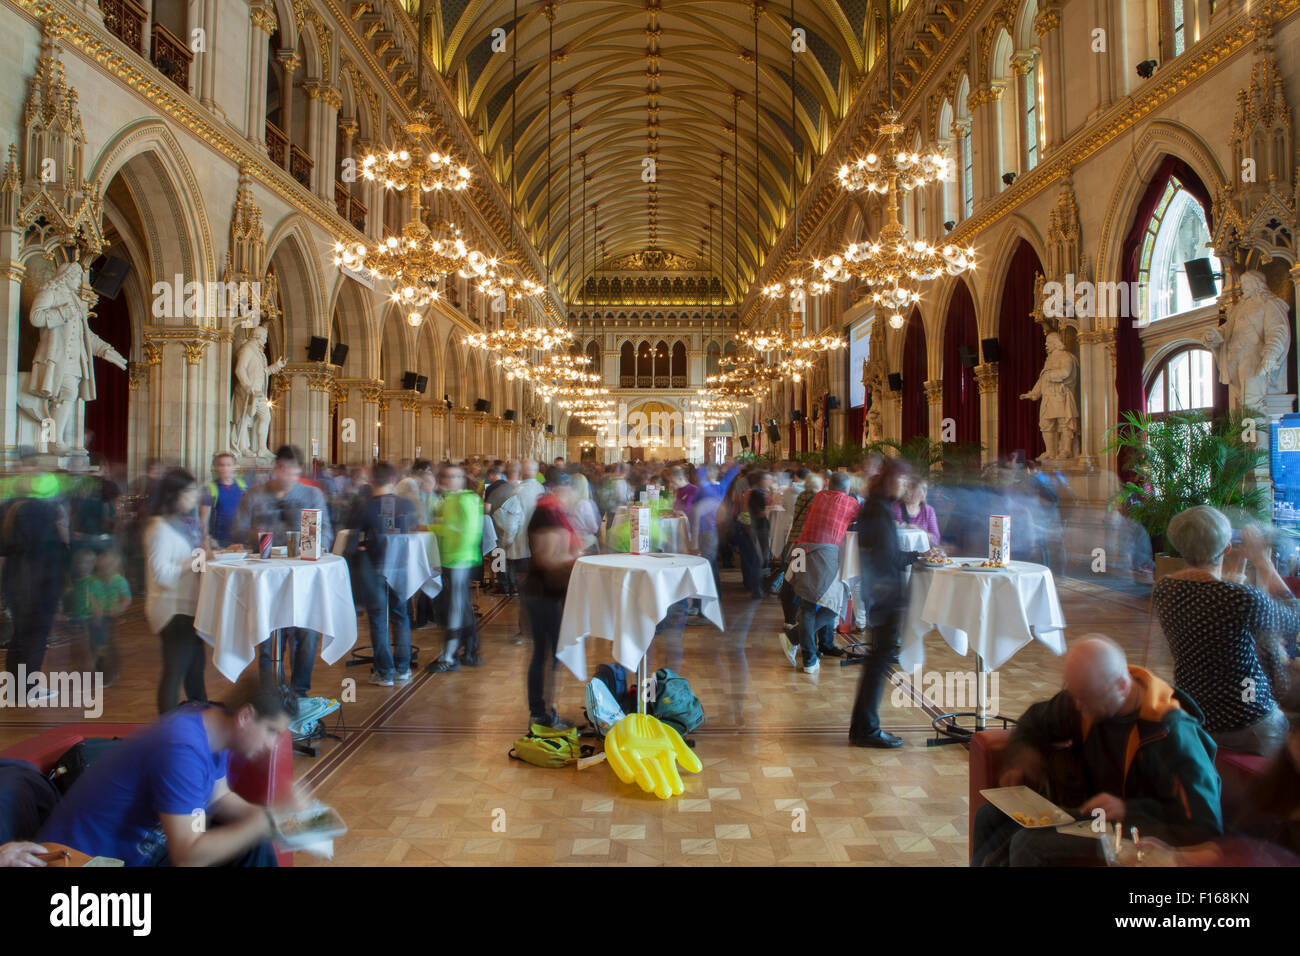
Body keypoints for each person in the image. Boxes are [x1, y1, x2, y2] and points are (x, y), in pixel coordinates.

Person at [970, 635, 1222, 866]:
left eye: (1085, 698)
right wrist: (1023, 754)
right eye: (1074, 695)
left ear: (1122, 686)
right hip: (1090, 815)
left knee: (1028, 844)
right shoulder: (1089, 697)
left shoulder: (1172, 732)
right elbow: (1035, 722)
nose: (1077, 706)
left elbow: (1202, 828)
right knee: (990, 816)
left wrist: (1128, 809)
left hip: (1133, 831)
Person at [37, 680, 300, 867]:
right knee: (246, 841)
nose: (272, 745)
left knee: (252, 846)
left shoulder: (214, 728)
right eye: (271, 731)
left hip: (141, 848)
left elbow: (219, 798)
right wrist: (260, 824)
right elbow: (187, 857)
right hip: (89, 859)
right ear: (246, 716)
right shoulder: (182, 749)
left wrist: (277, 818)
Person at [1153, 506, 1299, 757]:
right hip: (1248, 721)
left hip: (1196, 714)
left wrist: (1235, 570)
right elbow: (1293, 619)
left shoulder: (1165, 589)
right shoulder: (1239, 598)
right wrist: (1262, 560)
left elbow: (1213, 613)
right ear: (1228, 547)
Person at [231, 445, 333, 697]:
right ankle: (271, 694)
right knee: (268, 638)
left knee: (307, 635)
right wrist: (253, 534)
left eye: (291, 470)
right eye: (281, 469)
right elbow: (237, 530)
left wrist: (318, 543)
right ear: (274, 469)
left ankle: (299, 692)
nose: (285, 475)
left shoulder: (312, 495)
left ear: (298, 471)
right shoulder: (254, 495)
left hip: (302, 577)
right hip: (267, 578)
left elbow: (326, 531)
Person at [848, 458, 917, 748]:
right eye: (902, 481)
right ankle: (866, 729)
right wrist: (915, 558)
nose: (905, 487)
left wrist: (916, 557)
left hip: (881, 591)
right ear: (892, 479)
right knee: (878, 661)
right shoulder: (878, 509)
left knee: (878, 660)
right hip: (884, 593)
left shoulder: (879, 505)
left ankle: (864, 727)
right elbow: (886, 556)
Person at [523, 468, 584, 728]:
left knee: (549, 653)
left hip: (547, 592)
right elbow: (547, 559)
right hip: (541, 593)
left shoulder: (554, 511)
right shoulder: (547, 513)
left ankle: (545, 711)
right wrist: (578, 561)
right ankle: (541, 713)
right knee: (546, 654)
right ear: (562, 489)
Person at [782, 472, 860, 673]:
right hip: (821, 553)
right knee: (832, 606)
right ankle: (808, 658)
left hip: (800, 549)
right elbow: (864, 517)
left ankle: (799, 641)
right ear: (847, 489)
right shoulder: (849, 502)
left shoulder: (819, 496)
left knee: (808, 604)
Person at [145, 468, 208, 714]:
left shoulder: (182, 523)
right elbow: (162, 574)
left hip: (187, 605)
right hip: (172, 609)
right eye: (190, 492)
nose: (195, 497)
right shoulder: (159, 528)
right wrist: (197, 559)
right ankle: (168, 729)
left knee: (195, 669)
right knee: (176, 671)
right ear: (174, 494)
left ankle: (199, 722)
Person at [0, 471, 69, 693]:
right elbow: (58, 546)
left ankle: (15, 687)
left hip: (15, 580)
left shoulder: (8, 510)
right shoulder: (45, 511)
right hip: (40, 580)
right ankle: (29, 687)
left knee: (19, 635)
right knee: (36, 636)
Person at [354, 461, 417, 687]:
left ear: (372, 480)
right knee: (401, 617)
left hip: (375, 569)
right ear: (394, 480)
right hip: (400, 569)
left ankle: (385, 671)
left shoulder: (366, 507)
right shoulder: (406, 505)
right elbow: (413, 534)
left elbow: (356, 540)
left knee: (379, 620)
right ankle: (403, 668)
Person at [428, 464, 484, 671]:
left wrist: (432, 527)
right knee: (459, 606)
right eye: (446, 476)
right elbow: (448, 525)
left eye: (454, 476)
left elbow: (468, 531)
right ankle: (471, 650)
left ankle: (449, 657)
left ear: (461, 478)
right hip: (449, 559)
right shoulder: (449, 500)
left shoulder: (467, 499)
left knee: (456, 608)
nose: (449, 480)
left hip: (460, 559)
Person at [494, 458, 545, 641]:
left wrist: (505, 543)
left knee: (524, 593)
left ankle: (525, 631)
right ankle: (539, 627)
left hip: (521, 549)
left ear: (522, 471)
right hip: (539, 549)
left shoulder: (519, 491)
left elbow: (511, 523)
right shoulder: (542, 489)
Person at [199, 452, 246, 550]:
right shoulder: (210, 489)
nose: (225, 468)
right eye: (221, 465)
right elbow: (203, 519)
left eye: (228, 465)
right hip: (220, 542)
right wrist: (206, 539)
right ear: (216, 467)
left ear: (234, 467)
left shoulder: (244, 487)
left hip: (243, 540)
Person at [892, 477, 941, 549]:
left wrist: (919, 531)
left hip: (923, 554)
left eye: (912, 489)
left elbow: (936, 539)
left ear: (923, 493)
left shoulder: (928, 511)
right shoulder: (895, 507)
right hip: (900, 552)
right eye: (907, 490)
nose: (908, 493)